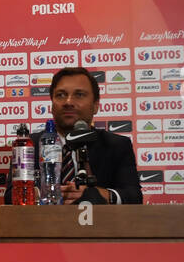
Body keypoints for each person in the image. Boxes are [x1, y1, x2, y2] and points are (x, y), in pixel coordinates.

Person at [9, 66, 142, 205]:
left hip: (99, 225)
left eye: (79, 95)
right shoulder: (28, 145)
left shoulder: (115, 145)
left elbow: (134, 197)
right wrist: (47, 192)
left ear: (95, 105)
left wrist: (100, 194)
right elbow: (10, 196)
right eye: (61, 95)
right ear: (52, 103)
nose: (68, 102)